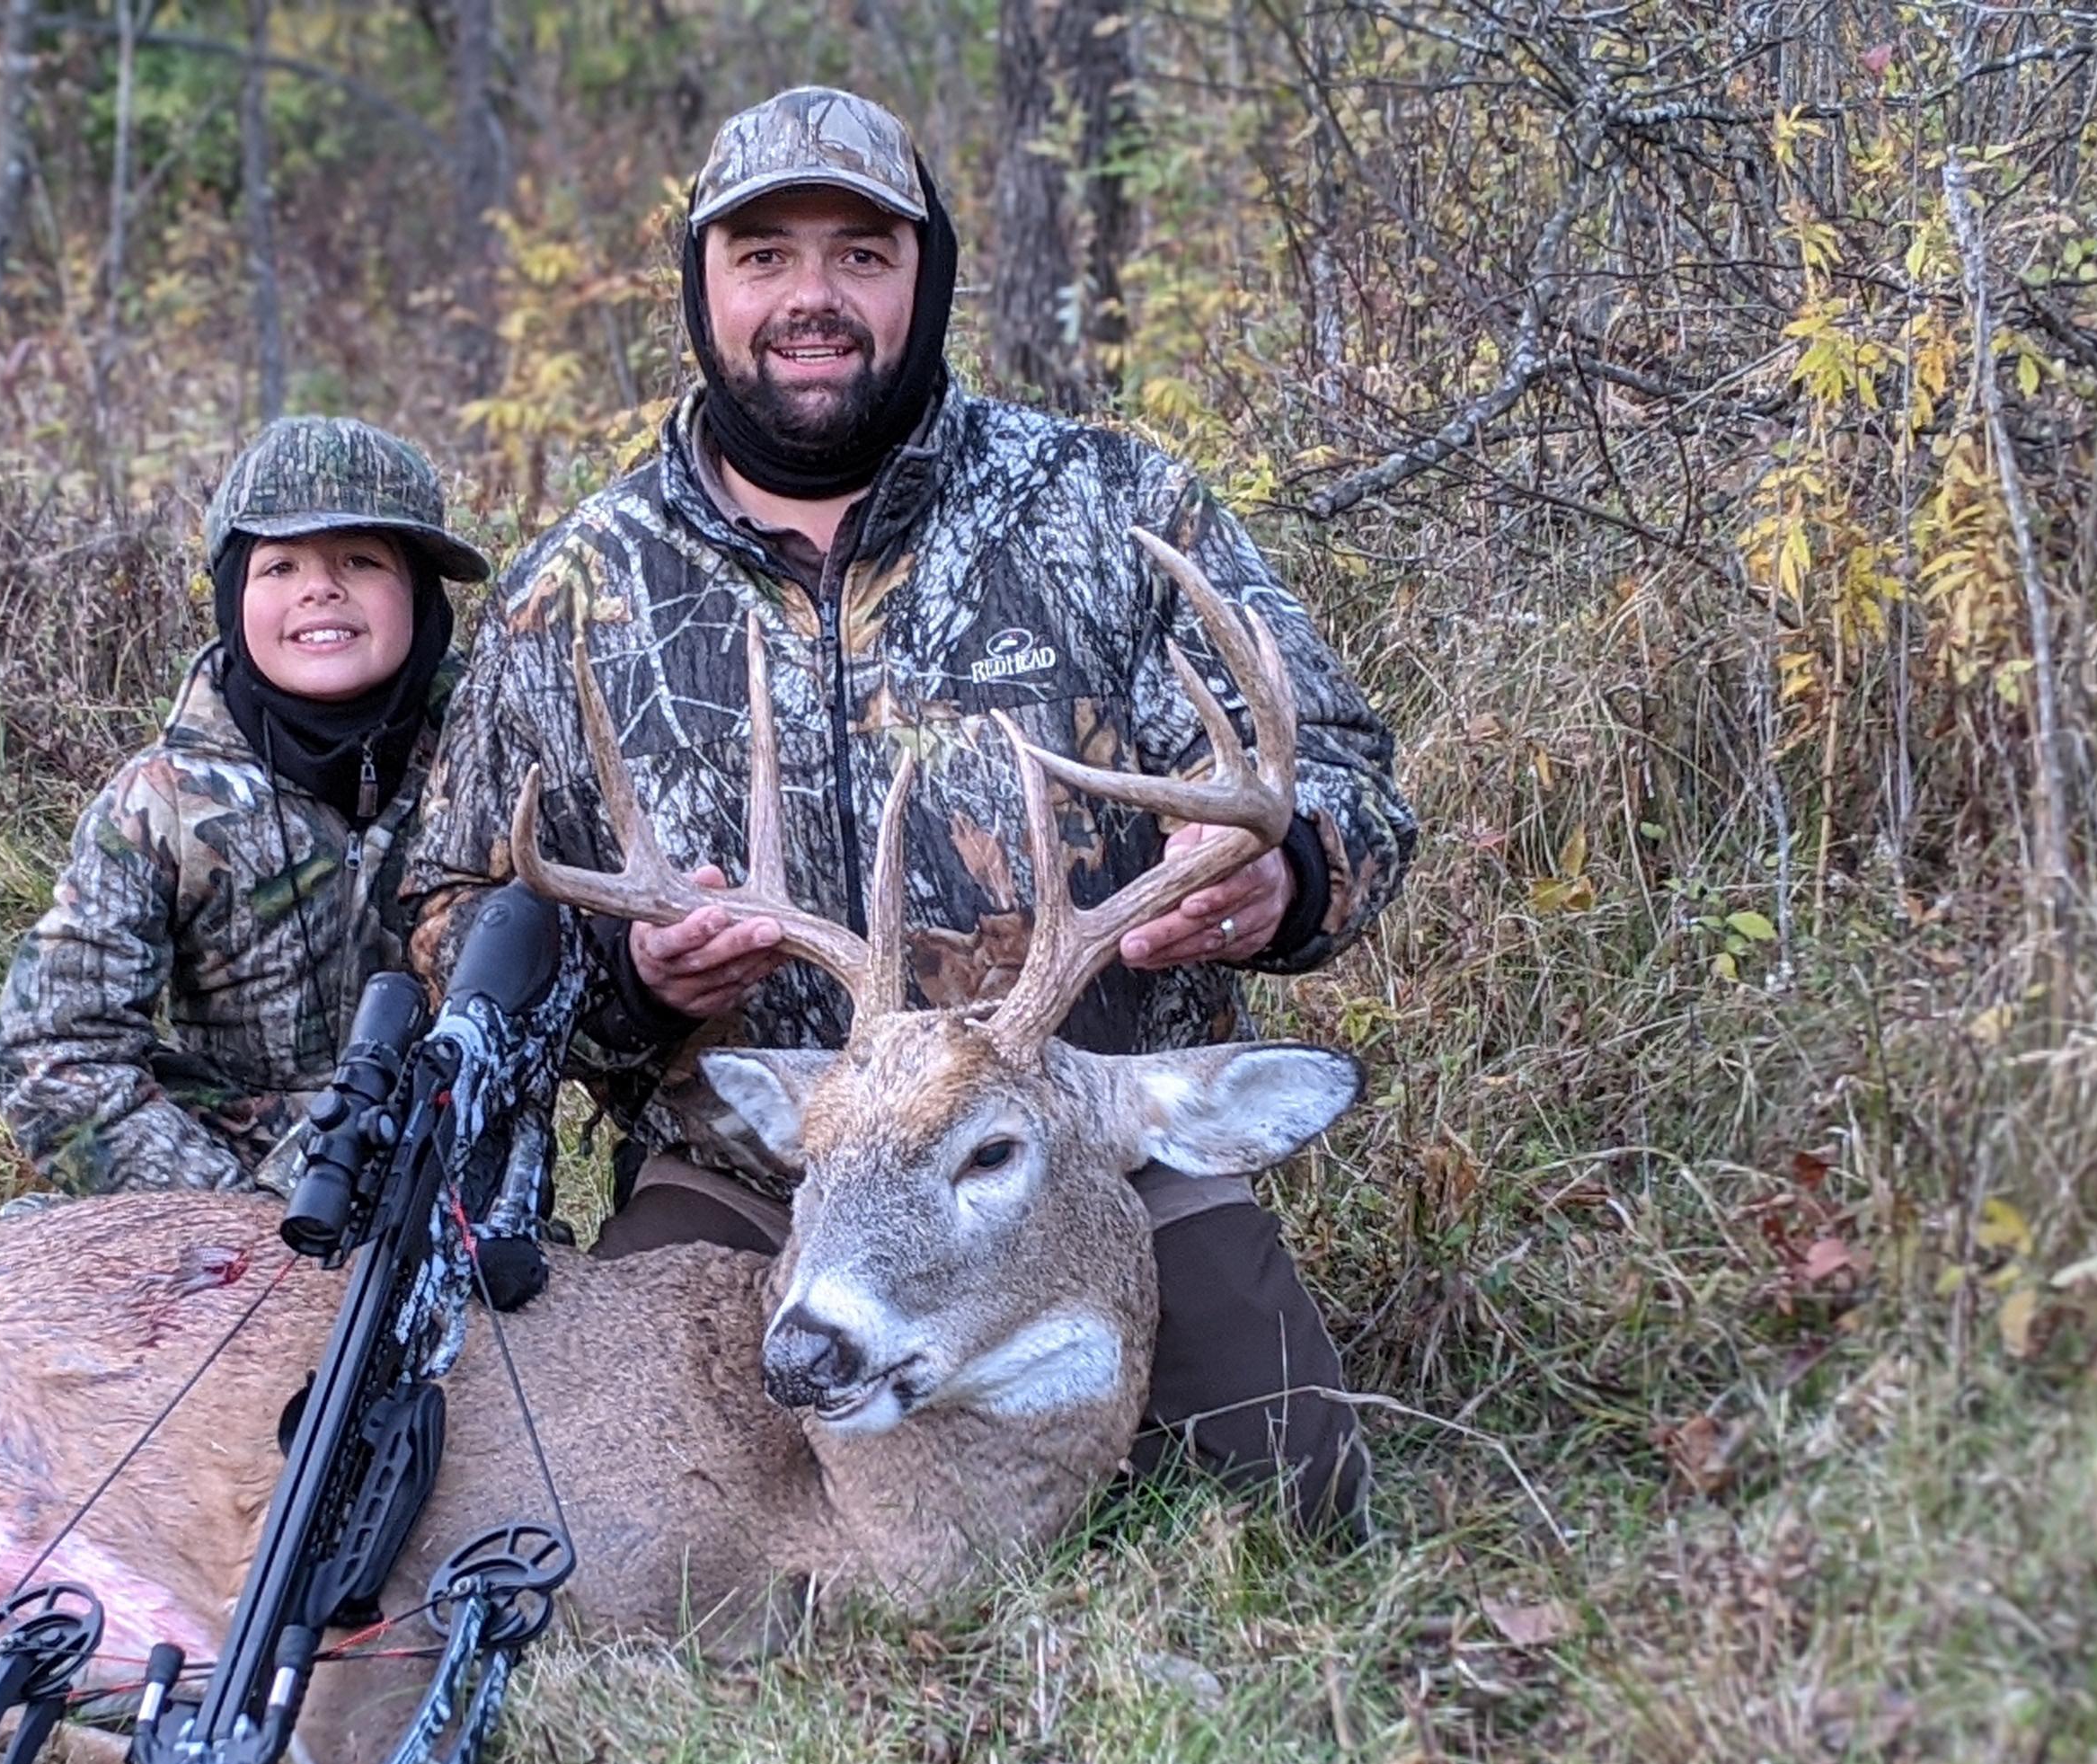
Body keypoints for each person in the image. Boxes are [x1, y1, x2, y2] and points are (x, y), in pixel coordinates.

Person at [404, 87, 1416, 1537]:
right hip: (766, 1174)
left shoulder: (1111, 508)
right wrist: (626, 987)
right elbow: (452, 925)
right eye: (764, 256)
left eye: (860, 255)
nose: (810, 297)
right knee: (620, 1539)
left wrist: (1287, 874)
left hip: (1084, 1165)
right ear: (703, 287)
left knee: (1297, 1497)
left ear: (923, 280)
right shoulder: (576, 588)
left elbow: (1348, 773)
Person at [0, 416, 491, 1198]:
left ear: (423, 593)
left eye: (360, 560)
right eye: (280, 565)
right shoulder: (160, 804)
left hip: (451, 1195)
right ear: (232, 597)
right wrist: (224, 1209)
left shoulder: (497, 768)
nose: (319, 589)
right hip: (221, 1204)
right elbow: (53, 1052)